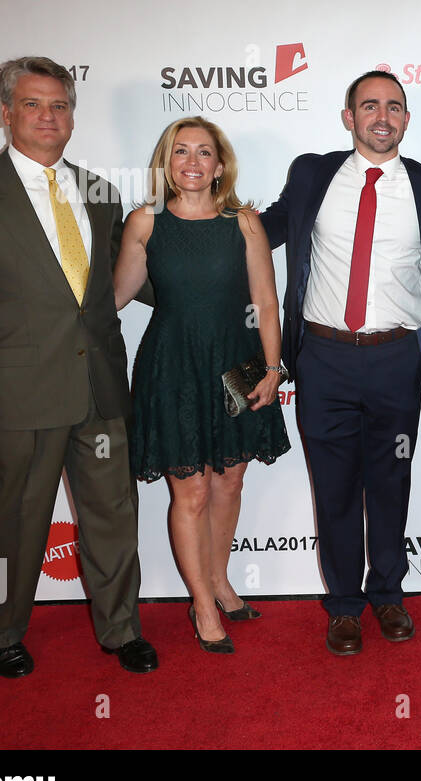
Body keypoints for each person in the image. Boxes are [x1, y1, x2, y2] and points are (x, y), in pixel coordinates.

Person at [0, 56, 158, 677]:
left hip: (101, 387)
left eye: (59, 105)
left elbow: (125, 279)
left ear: (72, 115)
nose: (48, 116)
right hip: (16, 393)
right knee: (17, 520)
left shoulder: (102, 193)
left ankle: (121, 629)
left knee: (113, 513)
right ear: (6, 113)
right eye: (33, 104)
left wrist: (212, 264)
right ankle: (2, 631)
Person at [259, 71, 421, 657]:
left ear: (406, 119)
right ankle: (344, 606)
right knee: (336, 488)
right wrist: (192, 220)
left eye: (394, 107)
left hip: (395, 357)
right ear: (349, 117)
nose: (382, 116)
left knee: (391, 481)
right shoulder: (313, 173)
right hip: (322, 359)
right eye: (369, 106)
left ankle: (388, 595)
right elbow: (262, 230)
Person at [114, 117, 290, 654]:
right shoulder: (144, 222)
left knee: (229, 483)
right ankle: (203, 604)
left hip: (238, 364)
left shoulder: (244, 222)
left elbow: (264, 301)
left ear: (220, 164)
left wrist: (273, 368)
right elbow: (113, 299)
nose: (192, 162)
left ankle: (219, 580)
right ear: (166, 161)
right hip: (173, 367)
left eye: (204, 153)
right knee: (188, 490)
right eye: (181, 151)